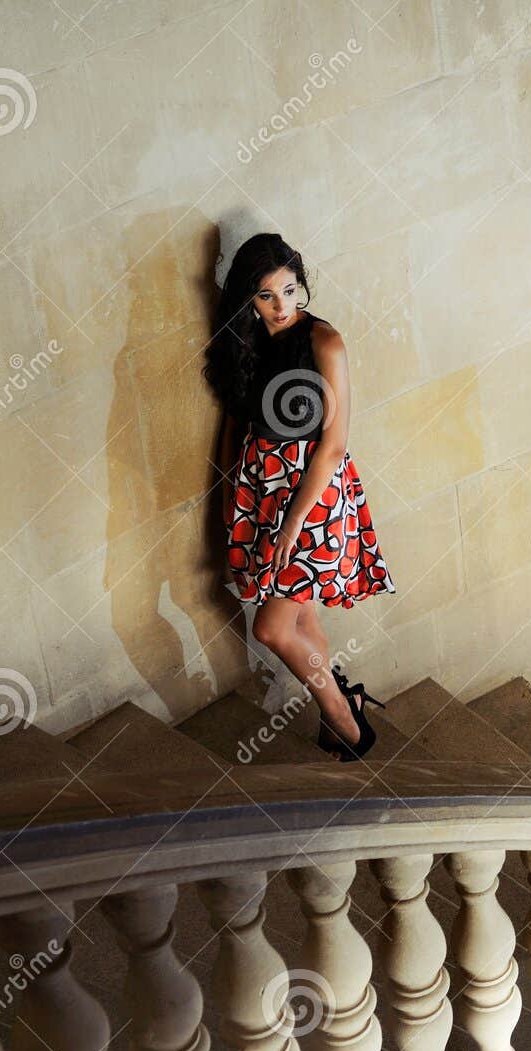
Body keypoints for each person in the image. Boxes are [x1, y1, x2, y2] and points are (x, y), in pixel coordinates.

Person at [203, 232, 394, 760]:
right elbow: (235, 423)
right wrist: (231, 497)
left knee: (270, 628)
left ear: (301, 285)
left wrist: (291, 524)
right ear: (249, 297)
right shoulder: (244, 341)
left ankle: (346, 718)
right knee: (301, 618)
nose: (281, 306)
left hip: (314, 498)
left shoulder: (324, 343)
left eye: (289, 291)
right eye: (267, 295)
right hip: (260, 493)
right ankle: (337, 713)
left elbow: (333, 446)